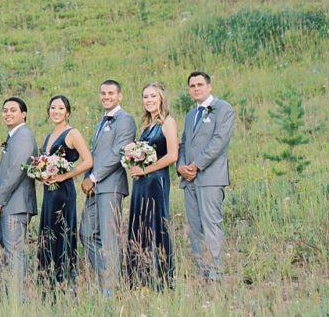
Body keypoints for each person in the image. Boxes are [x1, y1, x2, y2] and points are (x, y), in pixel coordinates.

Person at [177, 71, 234, 284]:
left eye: (200, 84)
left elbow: (219, 142)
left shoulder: (223, 109)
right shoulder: (191, 115)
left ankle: (216, 272)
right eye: (192, 86)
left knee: (211, 223)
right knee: (194, 226)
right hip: (189, 178)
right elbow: (184, 142)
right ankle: (203, 271)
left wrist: (196, 165)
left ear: (209, 86)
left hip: (210, 176)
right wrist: (182, 165)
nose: (196, 88)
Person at [80, 80, 137, 294]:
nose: (106, 97)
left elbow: (117, 153)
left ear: (120, 96)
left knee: (109, 237)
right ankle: (108, 277)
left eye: (111, 93)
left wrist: (93, 177)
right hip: (95, 186)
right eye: (103, 93)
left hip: (111, 185)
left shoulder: (126, 120)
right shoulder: (100, 123)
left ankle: (111, 289)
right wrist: (89, 179)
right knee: (86, 233)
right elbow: (97, 155)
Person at [126, 83, 179, 289]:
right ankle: (141, 278)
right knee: (140, 225)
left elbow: (172, 155)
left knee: (155, 225)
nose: (148, 100)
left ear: (161, 99)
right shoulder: (145, 126)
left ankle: (162, 279)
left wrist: (146, 170)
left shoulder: (167, 122)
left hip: (156, 181)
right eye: (145, 96)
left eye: (153, 96)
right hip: (141, 183)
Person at [37, 94, 92, 291]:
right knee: (48, 232)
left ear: (67, 112)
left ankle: (65, 280)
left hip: (63, 192)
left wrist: (64, 176)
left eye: (60, 108)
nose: (56, 111)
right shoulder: (48, 136)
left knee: (62, 232)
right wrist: (41, 174)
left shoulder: (72, 133)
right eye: (53, 108)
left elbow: (88, 161)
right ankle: (47, 280)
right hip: (48, 192)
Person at [0, 96, 38, 294]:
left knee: (14, 252)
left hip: (15, 204)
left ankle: (17, 298)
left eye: (13, 110)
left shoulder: (24, 135)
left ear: (23, 114)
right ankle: (3, 290)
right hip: (7, 205)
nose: (8, 113)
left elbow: (17, 170)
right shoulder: (13, 137)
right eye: (5, 110)